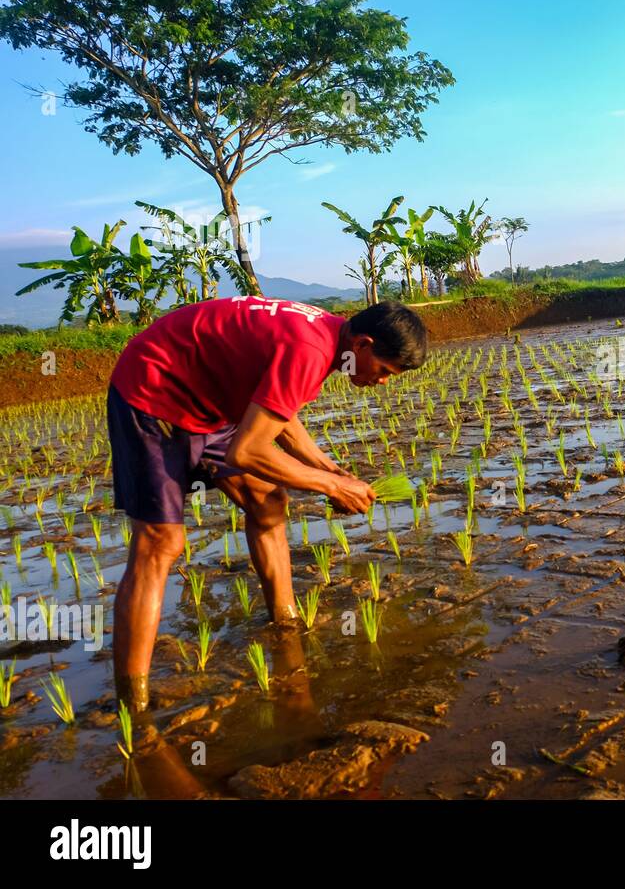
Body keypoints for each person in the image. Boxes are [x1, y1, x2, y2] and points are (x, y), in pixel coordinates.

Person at [106, 296, 430, 713]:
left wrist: (334, 471)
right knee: (160, 544)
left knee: (268, 503)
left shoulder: (328, 337)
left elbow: (282, 420)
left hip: (213, 405)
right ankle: (132, 703)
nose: (382, 381)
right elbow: (248, 452)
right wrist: (330, 487)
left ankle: (285, 621)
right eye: (384, 371)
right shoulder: (311, 349)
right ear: (363, 344)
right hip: (155, 394)